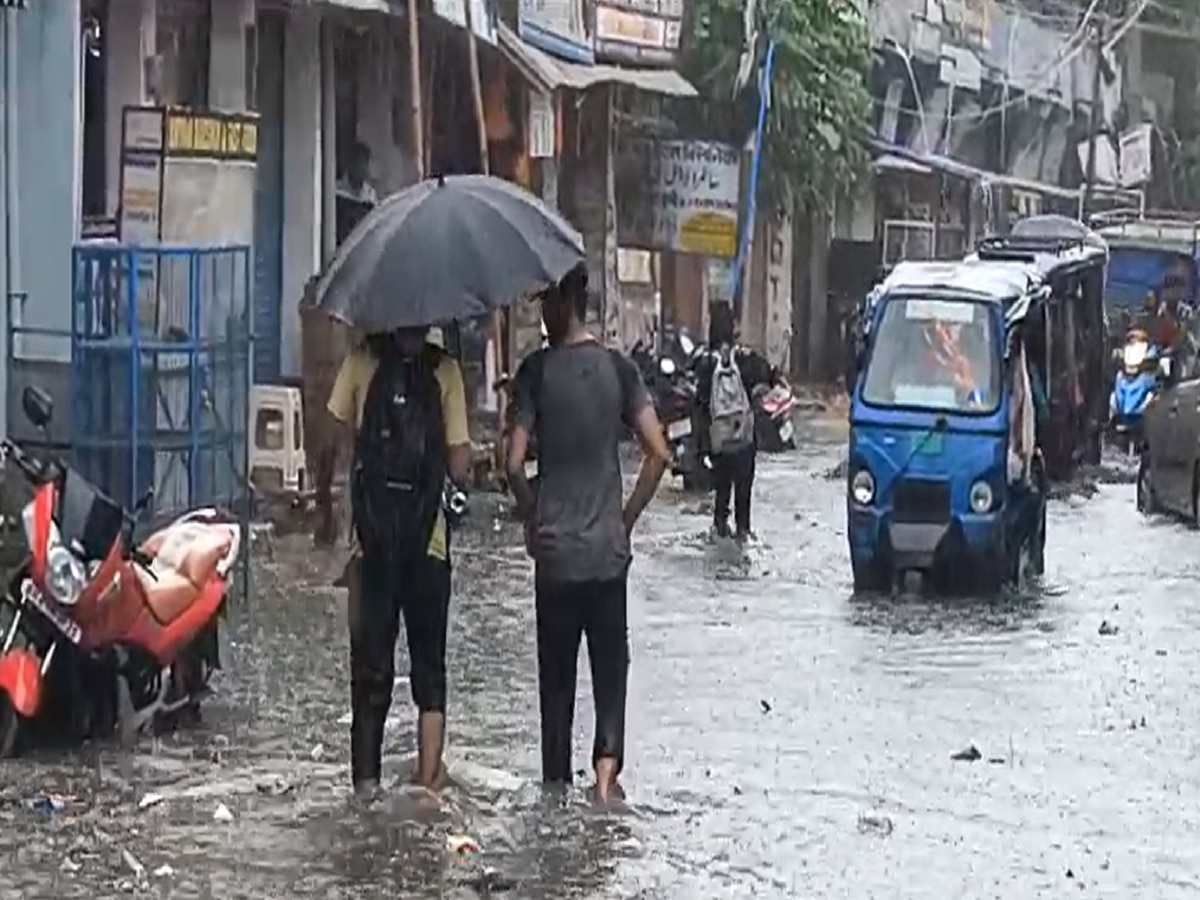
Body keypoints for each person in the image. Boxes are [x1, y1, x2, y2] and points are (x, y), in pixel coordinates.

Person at [505, 264, 669, 804]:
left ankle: (557, 786)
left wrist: (532, 515)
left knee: (556, 686)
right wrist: (624, 521)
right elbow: (659, 453)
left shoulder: (534, 374)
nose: (541, 314)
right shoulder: (619, 370)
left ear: (562, 302)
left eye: (544, 302)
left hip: (554, 556)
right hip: (604, 555)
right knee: (608, 669)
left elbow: (511, 463)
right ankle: (605, 775)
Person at [327, 325, 471, 795]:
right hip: (428, 544)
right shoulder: (444, 369)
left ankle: (366, 789)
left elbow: (335, 442)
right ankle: (429, 785)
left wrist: (332, 514)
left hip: (373, 544)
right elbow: (460, 464)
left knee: (371, 667)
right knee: (430, 665)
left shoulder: (361, 361)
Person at [695, 301, 779, 540]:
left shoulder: (705, 363)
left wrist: (703, 447)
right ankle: (743, 534)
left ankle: (720, 529)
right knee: (743, 496)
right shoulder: (745, 359)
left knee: (721, 495)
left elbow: (700, 404)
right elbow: (770, 376)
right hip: (743, 439)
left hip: (719, 442)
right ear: (732, 327)